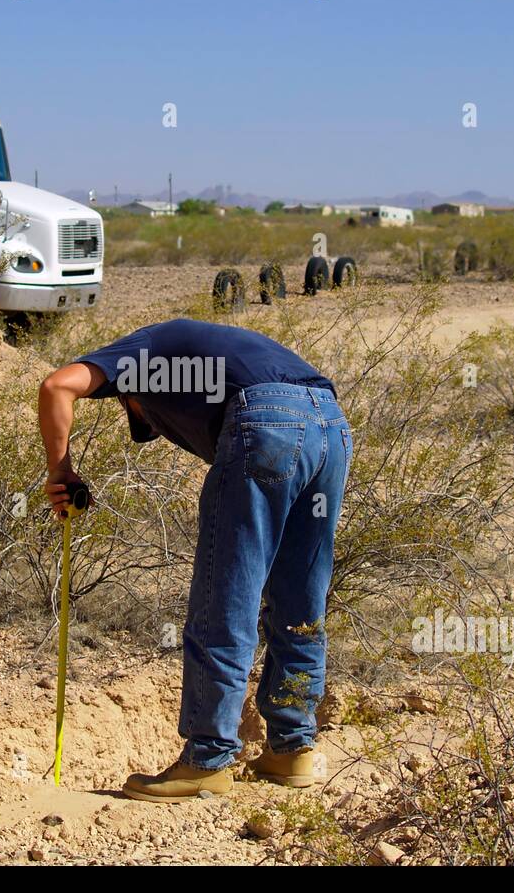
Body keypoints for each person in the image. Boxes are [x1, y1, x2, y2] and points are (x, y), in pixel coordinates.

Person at [37, 318, 352, 802]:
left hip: (268, 421)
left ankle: (207, 758)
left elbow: (57, 386)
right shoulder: (207, 354)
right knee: (301, 599)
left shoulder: (139, 348)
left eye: (144, 419)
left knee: (227, 592)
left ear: (129, 392)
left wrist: (62, 473)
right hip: (331, 422)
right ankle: (292, 749)